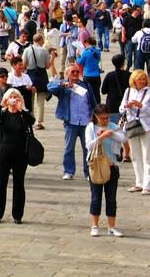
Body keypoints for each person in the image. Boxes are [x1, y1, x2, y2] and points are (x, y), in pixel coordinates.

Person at [0, 88, 35, 224]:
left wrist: (21, 110)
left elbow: (32, 121)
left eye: (16, 97)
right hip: (3, 153)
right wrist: (1, 105)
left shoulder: (23, 115)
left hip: (20, 154)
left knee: (19, 184)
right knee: (0, 184)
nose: (13, 99)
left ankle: (17, 215)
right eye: (11, 97)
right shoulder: (2, 114)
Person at [49, 64, 95, 180]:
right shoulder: (63, 86)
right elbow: (49, 87)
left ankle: (89, 172)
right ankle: (68, 171)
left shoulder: (86, 85)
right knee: (69, 148)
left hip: (85, 122)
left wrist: (94, 117)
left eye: (77, 71)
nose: (75, 74)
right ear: (67, 74)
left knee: (87, 148)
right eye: (72, 72)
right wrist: (62, 84)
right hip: (71, 122)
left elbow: (93, 102)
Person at [85, 104, 125, 236]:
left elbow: (123, 138)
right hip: (96, 166)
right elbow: (89, 146)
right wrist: (101, 138)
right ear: (96, 116)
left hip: (112, 166)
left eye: (107, 117)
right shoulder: (90, 127)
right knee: (96, 197)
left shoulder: (113, 126)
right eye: (102, 118)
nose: (105, 120)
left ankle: (111, 227)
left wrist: (110, 133)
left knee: (111, 198)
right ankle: (94, 225)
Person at [120, 70, 150, 193]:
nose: (142, 81)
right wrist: (126, 106)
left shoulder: (148, 92)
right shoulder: (128, 91)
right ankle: (139, 183)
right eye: (139, 79)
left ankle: (147, 185)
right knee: (135, 155)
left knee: (147, 156)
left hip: (146, 126)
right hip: (132, 126)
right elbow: (121, 108)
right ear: (134, 80)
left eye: (144, 79)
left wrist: (141, 106)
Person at [23, 32, 52, 129]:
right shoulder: (44, 51)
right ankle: (39, 122)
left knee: (29, 99)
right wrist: (53, 58)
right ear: (40, 40)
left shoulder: (27, 50)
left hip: (30, 76)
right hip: (42, 76)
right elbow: (47, 66)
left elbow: (23, 64)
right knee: (40, 100)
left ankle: (30, 119)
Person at [76, 40, 103, 106]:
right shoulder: (98, 51)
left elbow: (80, 62)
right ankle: (98, 107)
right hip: (96, 75)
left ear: (87, 43)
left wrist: (77, 55)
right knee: (96, 92)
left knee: (88, 93)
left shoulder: (86, 52)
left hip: (88, 75)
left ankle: (89, 106)